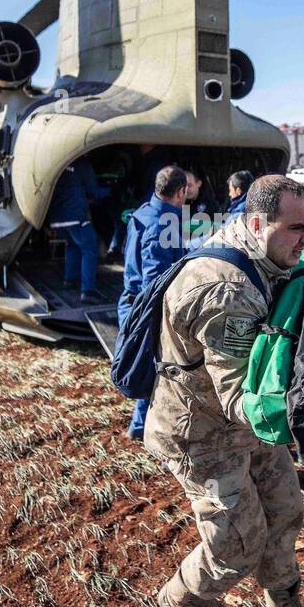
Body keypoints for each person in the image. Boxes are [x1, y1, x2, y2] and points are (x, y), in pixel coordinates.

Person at [148, 176, 304, 607]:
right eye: (296, 228)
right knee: (237, 545)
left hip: (246, 425)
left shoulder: (266, 254)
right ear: (257, 223)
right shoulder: (224, 291)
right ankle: (182, 601)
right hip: (203, 435)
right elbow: (242, 398)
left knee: (283, 510)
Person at [118, 165, 189, 440]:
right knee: (158, 367)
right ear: (180, 192)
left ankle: (139, 425)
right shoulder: (164, 223)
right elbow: (156, 277)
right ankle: (146, 427)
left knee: (151, 366)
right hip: (147, 305)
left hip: (131, 298)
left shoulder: (145, 211)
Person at [47, 156, 110, 305]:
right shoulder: (82, 165)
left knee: (73, 245)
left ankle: (70, 280)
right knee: (90, 248)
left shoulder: (59, 162)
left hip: (56, 217)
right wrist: (114, 190)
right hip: (76, 216)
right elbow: (95, 191)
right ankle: (88, 291)